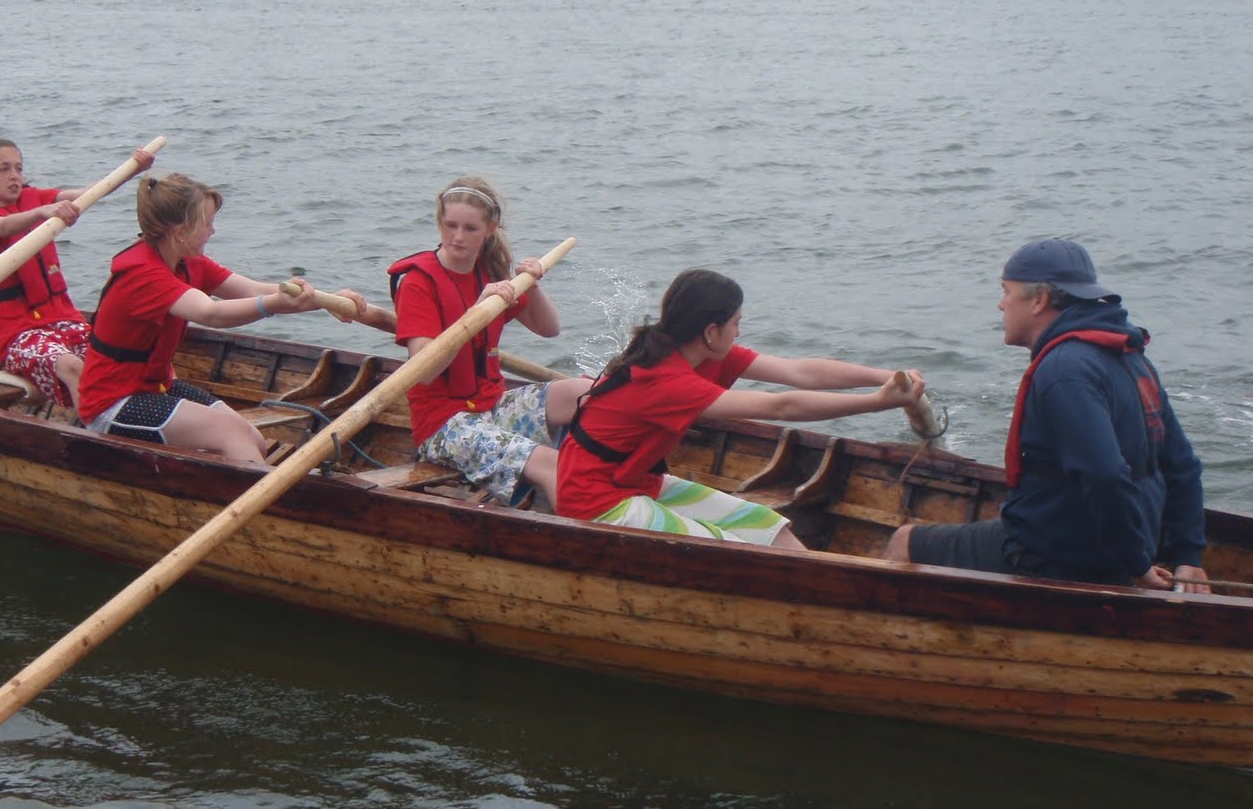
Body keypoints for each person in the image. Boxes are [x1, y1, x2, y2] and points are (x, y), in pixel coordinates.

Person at [885, 238, 1210, 592]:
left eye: (1006, 291)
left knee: (904, 541)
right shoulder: (1131, 359)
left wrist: (1136, 565)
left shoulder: (1063, 370)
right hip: (1122, 542)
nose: (1000, 304)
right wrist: (1187, 554)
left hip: (1059, 554)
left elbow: (1104, 476)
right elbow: (1183, 466)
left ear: (1039, 300)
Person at [556, 269, 926, 549]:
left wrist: (886, 378)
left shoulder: (700, 352)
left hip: (639, 482)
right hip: (595, 501)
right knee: (735, 550)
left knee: (773, 530)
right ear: (710, 331)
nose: (739, 333)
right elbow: (780, 406)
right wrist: (877, 403)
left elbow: (799, 372)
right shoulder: (665, 381)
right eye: (736, 324)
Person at [77, 172, 363, 461]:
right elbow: (211, 313)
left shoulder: (188, 261)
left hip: (156, 387)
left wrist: (326, 300)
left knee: (252, 438)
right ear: (181, 232)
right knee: (231, 434)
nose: (213, 231)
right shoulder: (143, 274)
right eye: (208, 223)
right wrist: (274, 304)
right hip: (112, 403)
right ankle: (257, 488)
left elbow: (252, 290)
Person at [390, 176, 590, 510]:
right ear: (439, 223)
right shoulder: (418, 282)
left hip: (492, 407)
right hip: (443, 426)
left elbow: (549, 329)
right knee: (551, 464)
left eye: (470, 228)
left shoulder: (490, 273)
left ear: (490, 229)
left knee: (587, 393)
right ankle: (579, 528)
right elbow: (423, 371)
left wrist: (531, 284)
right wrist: (475, 314)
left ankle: (597, 482)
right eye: (450, 226)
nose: (458, 237)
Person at [0, 138, 155, 413]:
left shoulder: (35, 197)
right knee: (72, 365)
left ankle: (137, 419)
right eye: (4, 169)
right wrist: (41, 212)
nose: (14, 176)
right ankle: (96, 428)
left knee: (122, 355)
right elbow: (0, 226)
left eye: (18, 168)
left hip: (65, 321)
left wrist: (133, 170)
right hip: (19, 333)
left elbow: (88, 193)